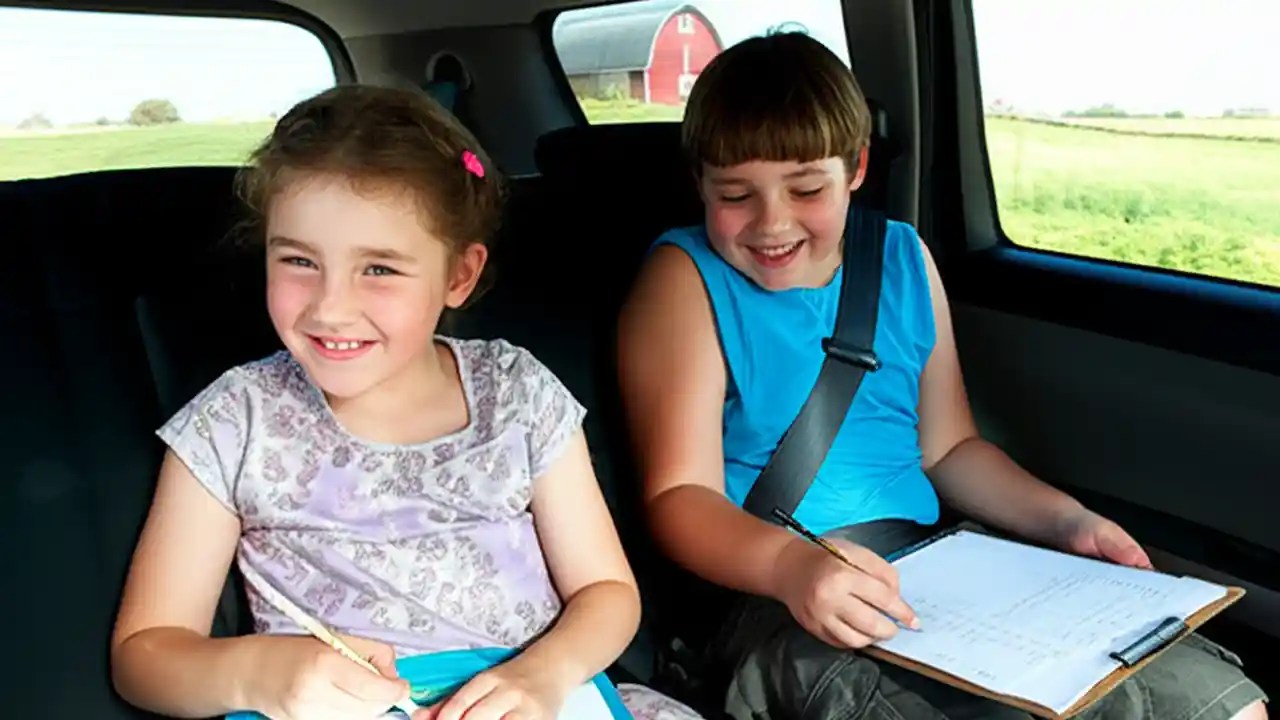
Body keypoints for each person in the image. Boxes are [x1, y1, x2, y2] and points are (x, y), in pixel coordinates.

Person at [616, 32, 1268, 720]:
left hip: (942, 568)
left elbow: (949, 451)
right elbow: (679, 495)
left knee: (1209, 703)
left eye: (806, 187)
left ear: (857, 168)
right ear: (701, 186)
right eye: (735, 195)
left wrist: (1068, 523)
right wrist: (789, 567)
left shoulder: (899, 257)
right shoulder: (684, 280)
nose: (771, 222)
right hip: (777, 590)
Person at [110, 83, 700, 720]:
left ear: (458, 276)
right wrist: (257, 672)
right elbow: (144, 655)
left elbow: (607, 592)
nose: (330, 308)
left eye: (380, 269)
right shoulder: (236, 420)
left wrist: (541, 675)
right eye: (299, 261)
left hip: (536, 696)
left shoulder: (517, 393)